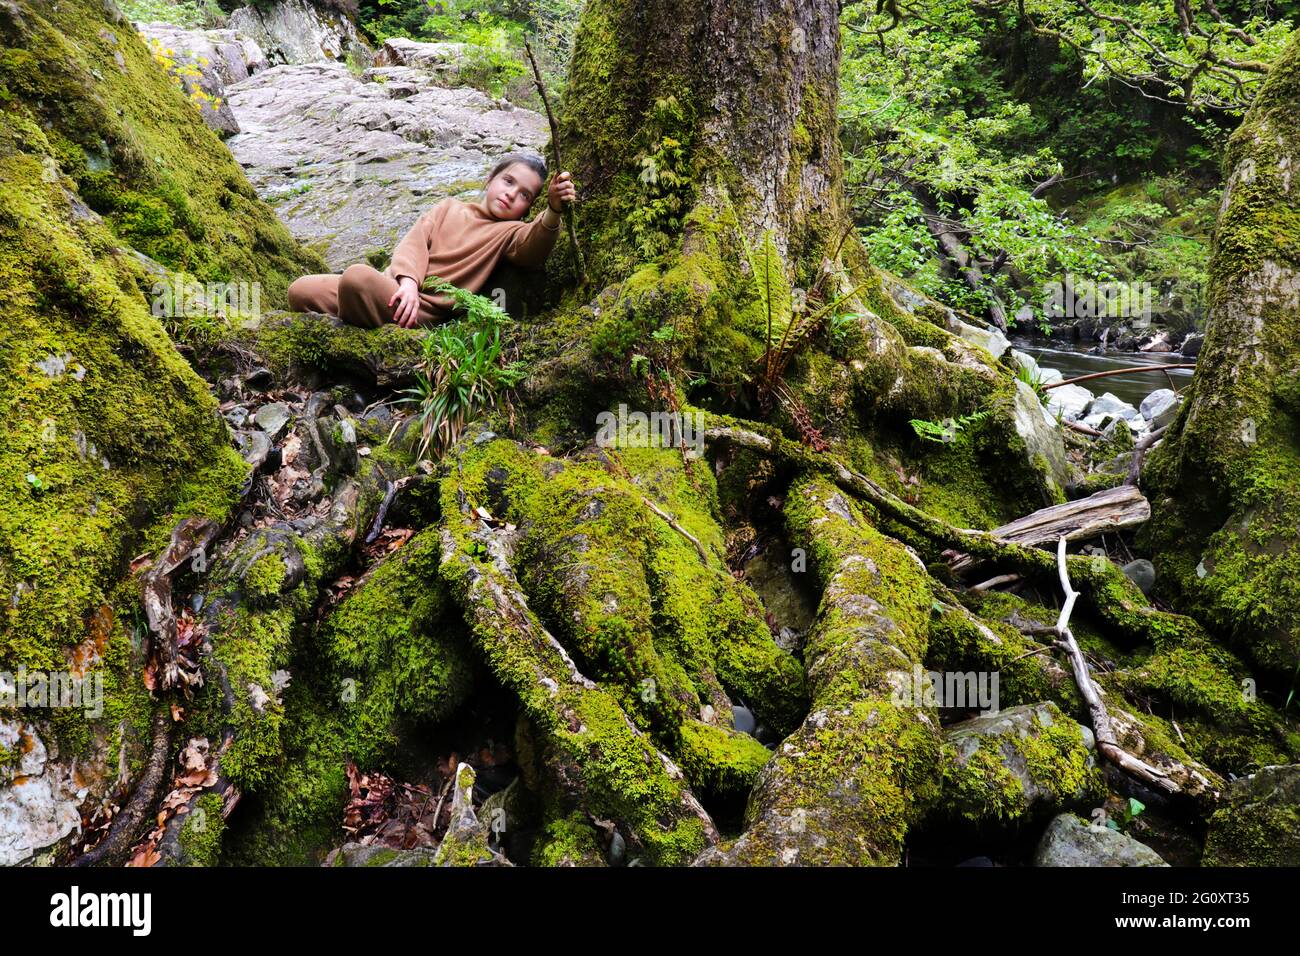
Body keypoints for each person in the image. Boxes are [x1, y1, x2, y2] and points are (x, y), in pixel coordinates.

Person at [286, 153, 577, 329]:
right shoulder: (449, 207)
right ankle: (359, 316)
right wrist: (409, 283)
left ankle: (360, 326)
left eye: (525, 195)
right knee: (300, 290)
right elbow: (415, 242)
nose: (512, 194)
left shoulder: (509, 232)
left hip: (421, 310)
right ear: (491, 179)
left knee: (355, 278)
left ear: (528, 208)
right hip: (398, 287)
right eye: (508, 181)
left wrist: (553, 210)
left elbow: (533, 247)